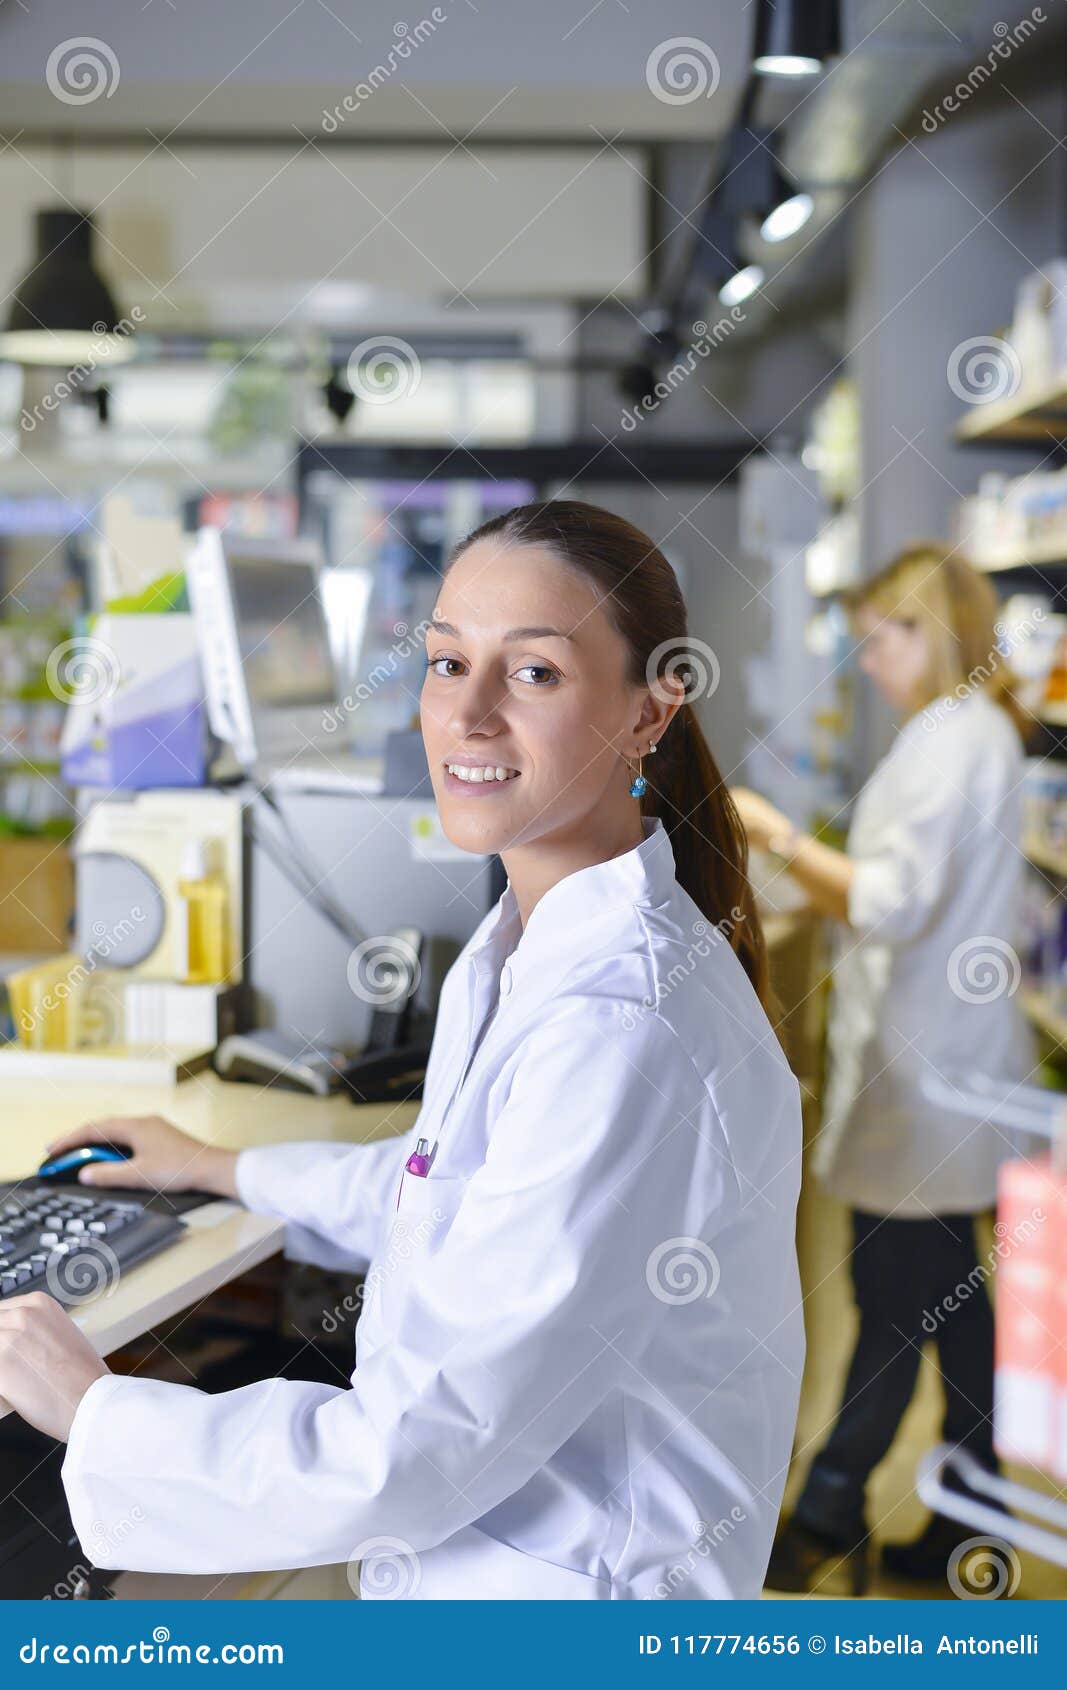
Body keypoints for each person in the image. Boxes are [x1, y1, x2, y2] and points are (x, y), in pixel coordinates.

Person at [0, 501, 804, 1601]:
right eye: (443, 662)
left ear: (648, 710)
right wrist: (225, 1169)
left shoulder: (618, 1026)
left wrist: (100, 1412)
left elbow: (422, 1446)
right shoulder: (536, 943)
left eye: (532, 675)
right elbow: (459, 1186)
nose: (464, 715)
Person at [732, 544, 1034, 1596]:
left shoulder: (953, 744)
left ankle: (823, 1511)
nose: (864, 659)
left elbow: (889, 901)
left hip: (929, 1074)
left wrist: (769, 836)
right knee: (952, 1306)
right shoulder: (965, 734)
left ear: (932, 630)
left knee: (893, 1295)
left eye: (880, 637)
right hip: (937, 1069)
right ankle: (968, 1520)